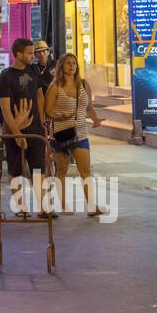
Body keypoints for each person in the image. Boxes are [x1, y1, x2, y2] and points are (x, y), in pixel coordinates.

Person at [45, 53, 104, 216]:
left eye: (74, 63)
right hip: (61, 133)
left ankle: (92, 205)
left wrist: (96, 120)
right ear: (61, 66)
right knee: (61, 170)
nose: (72, 66)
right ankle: (63, 205)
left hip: (80, 133)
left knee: (85, 170)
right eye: (68, 63)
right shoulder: (55, 86)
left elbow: (89, 107)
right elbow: (48, 111)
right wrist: (60, 116)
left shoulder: (84, 84)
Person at [0, 38, 48, 216]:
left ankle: (43, 207)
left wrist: (42, 121)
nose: (32, 56)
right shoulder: (6, 75)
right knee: (15, 168)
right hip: (14, 128)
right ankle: (21, 207)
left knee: (39, 167)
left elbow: (40, 95)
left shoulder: (34, 71)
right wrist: (15, 132)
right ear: (18, 54)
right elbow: (5, 107)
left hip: (35, 128)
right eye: (29, 53)